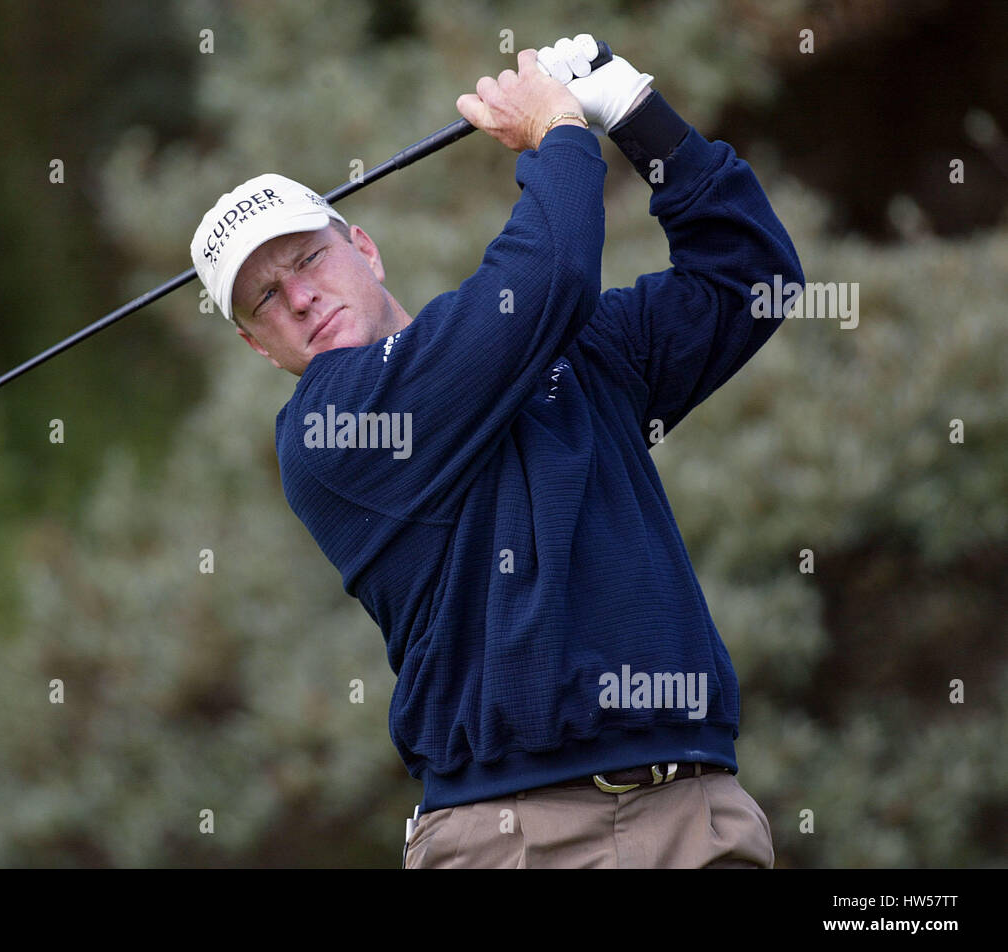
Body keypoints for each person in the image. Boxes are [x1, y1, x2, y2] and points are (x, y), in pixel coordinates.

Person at [190, 35, 803, 868]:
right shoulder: (331, 431)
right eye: (264, 297)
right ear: (259, 346)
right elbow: (549, 275)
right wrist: (559, 131)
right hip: (508, 837)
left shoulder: (575, 355)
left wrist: (638, 116)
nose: (299, 297)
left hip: (695, 813)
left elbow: (749, 278)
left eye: (308, 259)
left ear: (362, 248)